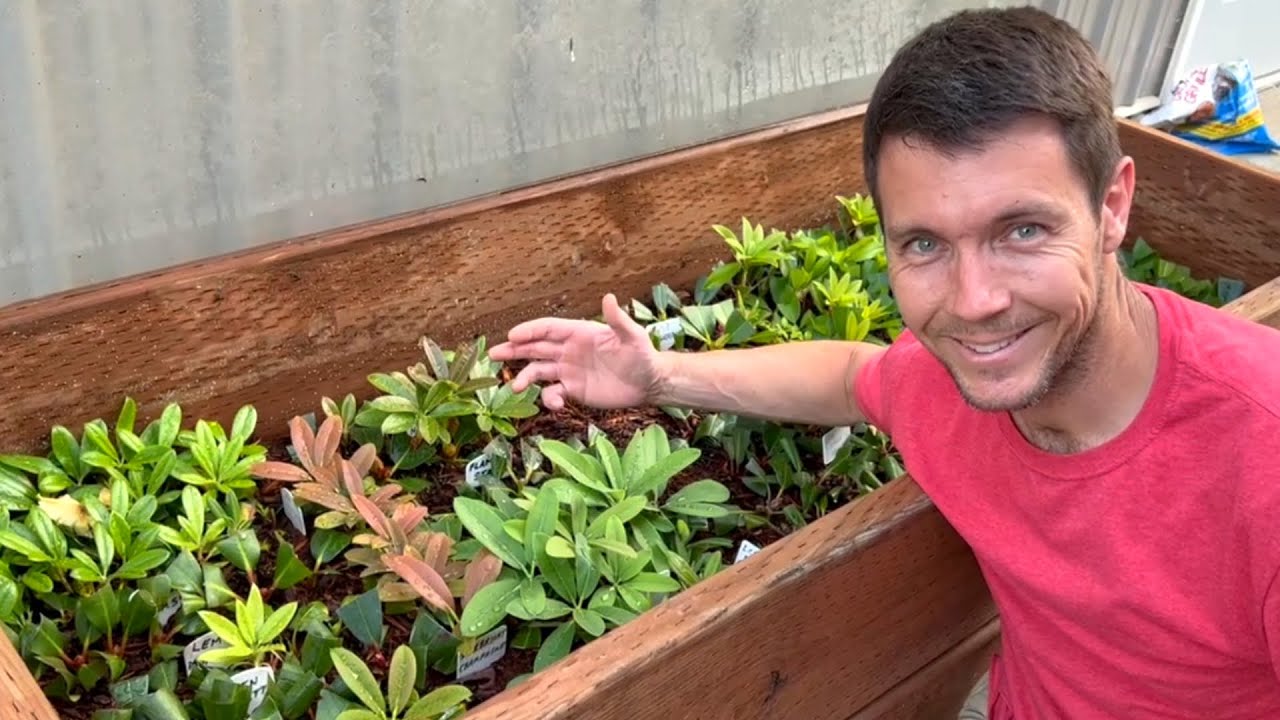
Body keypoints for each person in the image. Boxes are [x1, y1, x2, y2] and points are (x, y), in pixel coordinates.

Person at [488, 6, 1280, 719]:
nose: (974, 301)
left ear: (1111, 207)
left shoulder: (1260, 452)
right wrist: (658, 375)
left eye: (1022, 231)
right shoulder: (948, 385)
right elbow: (848, 376)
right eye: (925, 244)